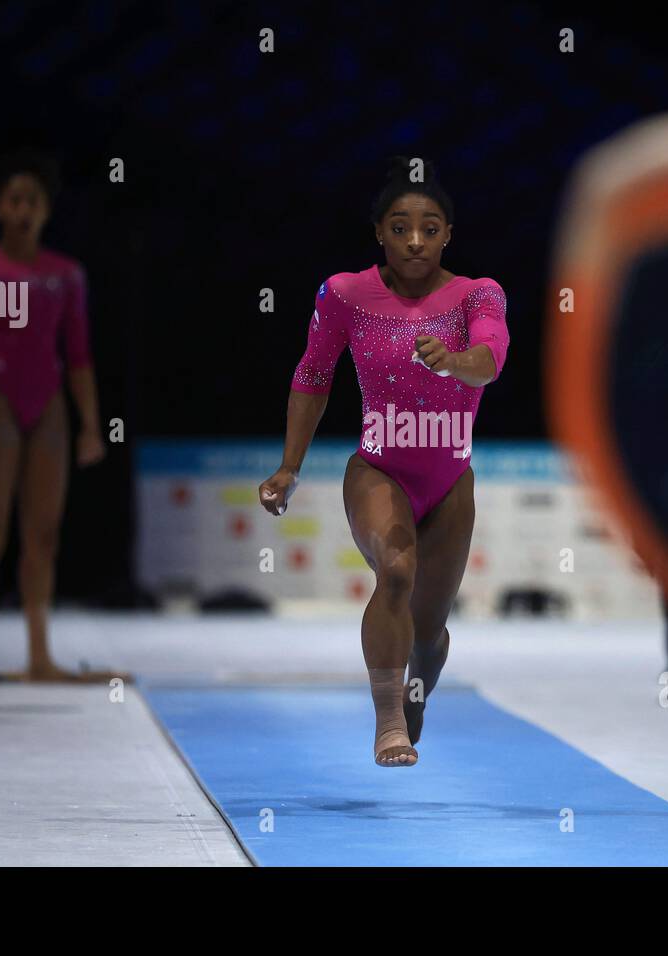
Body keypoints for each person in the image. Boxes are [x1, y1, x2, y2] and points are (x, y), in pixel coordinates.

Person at [258, 156, 509, 766]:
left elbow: (491, 358)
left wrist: (452, 361)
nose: (415, 240)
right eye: (399, 227)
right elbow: (313, 374)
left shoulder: (479, 294)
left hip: (450, 481)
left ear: (449, 232)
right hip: (378, 469)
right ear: (380, 233)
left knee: (428, 633)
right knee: (395, 574)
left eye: (429, 227)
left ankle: (416, 687)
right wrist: (289, 466)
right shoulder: (346, 294)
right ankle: (389, 721)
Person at [0, 152, 113, 684]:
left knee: (42, 535)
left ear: (46, 212)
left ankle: (39, 656)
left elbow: (81, 356)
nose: (24, 210)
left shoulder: (65, 275)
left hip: (48, 409)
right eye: (15, 200)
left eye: (34, 202)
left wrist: (90, 424)